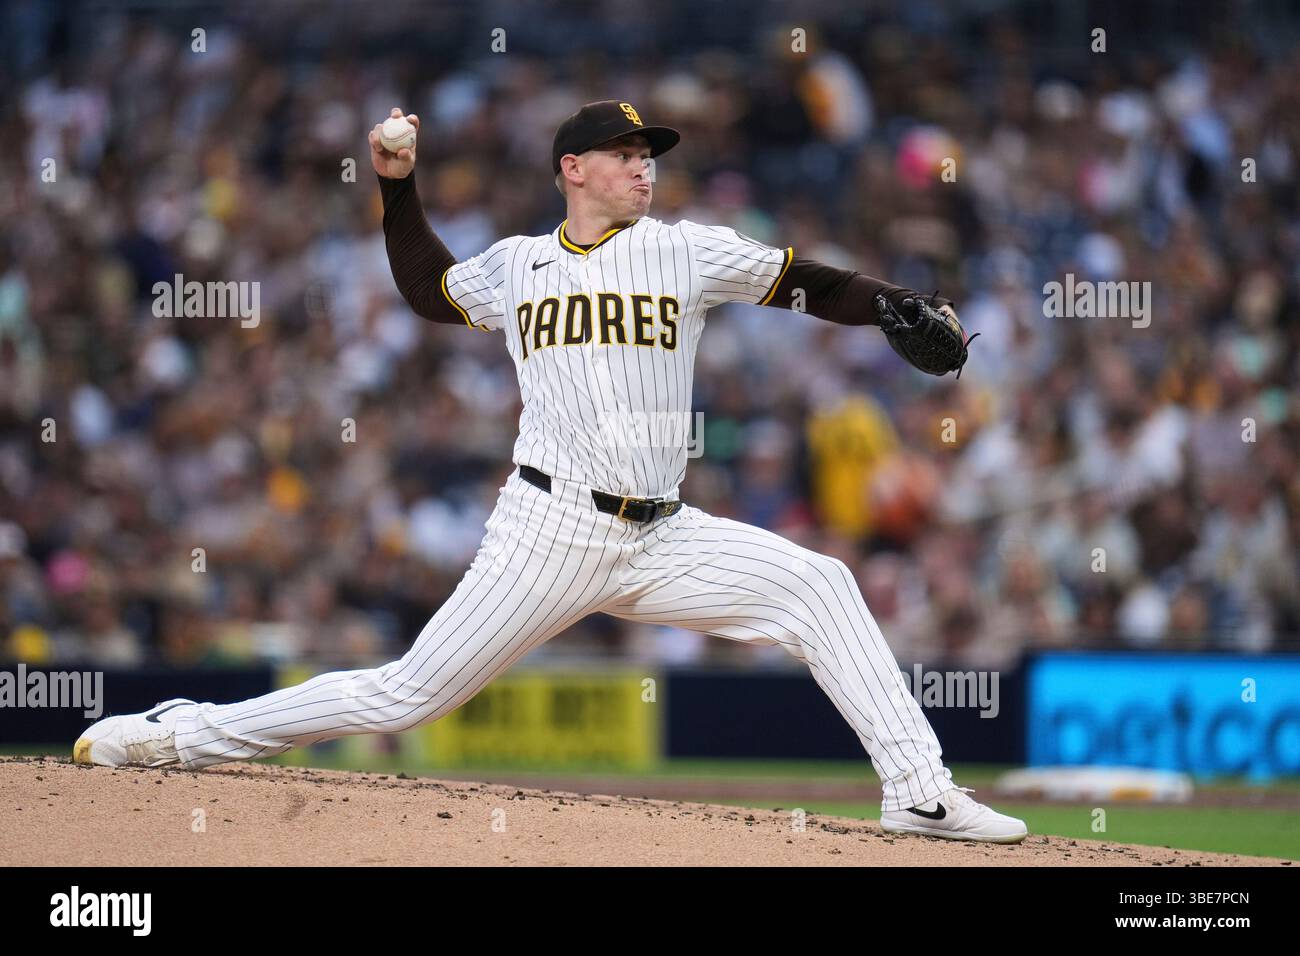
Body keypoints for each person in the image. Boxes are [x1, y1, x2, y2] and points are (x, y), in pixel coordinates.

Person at [75, 101, 1027, 844]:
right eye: (624, 153)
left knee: (821, 584)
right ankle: (181, 734)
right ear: (573, 170)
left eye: (649, 152)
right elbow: (428, 289)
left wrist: (893, 302)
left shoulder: (685, 250)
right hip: (548, 531)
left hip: (662, 532)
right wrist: (396, 184)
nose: (643, 165)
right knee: (409, 694)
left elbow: (807, 283)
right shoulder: (521, 264)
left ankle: (922, 797)